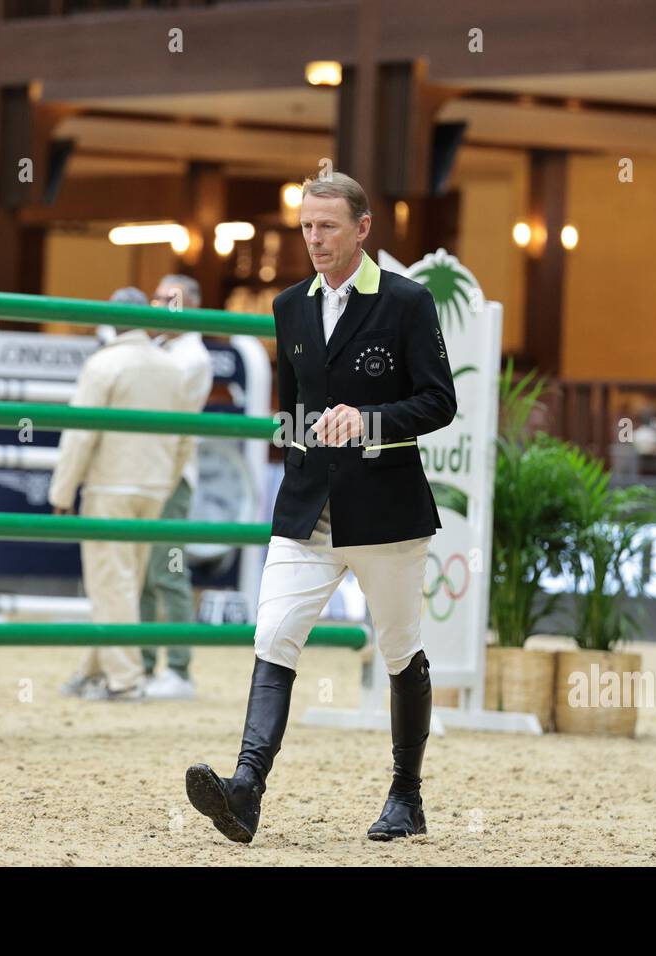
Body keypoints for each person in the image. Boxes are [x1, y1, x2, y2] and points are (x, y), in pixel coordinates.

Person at [184, 171, 456, 842]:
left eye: (328, 226)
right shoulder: (289, 307)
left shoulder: (407, 302)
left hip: (386, 513)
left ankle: (407, 796)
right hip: (307, 508)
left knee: (399, 652)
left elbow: (439, 401)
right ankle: (246, 789)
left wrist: (366, 422)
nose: (315, 238)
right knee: (274, 637)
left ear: (362, 229)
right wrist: (300, 439)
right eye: (307, 226)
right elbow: (290, 407)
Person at [49, 286, 193, 701]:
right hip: (153, 488)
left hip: (110, 487)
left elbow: (81, 434)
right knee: (122, 581)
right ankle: (92, 669)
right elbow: (186, 439)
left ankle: (125, 680)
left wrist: (63, 490)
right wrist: (167, 481)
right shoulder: (171, 369)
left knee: (112, 583)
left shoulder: (104, 364)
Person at [139, 275, 214, 700]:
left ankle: (180, 669)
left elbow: (161, 404)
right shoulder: (163, 349)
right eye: (158, 297)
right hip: (148, 471)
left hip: (172, 474)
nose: (162, 306)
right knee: (145, 576)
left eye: (172, 299)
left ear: (193, 305)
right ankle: (146, 664)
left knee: (168, 570)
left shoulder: (192, 358)